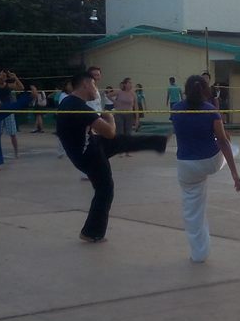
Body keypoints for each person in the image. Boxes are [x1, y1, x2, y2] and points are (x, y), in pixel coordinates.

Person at [56, 71, 168, 242]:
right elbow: (109, 132)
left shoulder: (71, 102)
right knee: (105, 189)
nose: (96, 88)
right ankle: (91, 232)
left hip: (90, 144)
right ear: (86, 84)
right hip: (87, 155)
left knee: (122, 141)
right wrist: (110, 117)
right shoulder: (77, 106)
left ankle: (159, 142)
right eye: (94, 84)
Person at [170, 74, 240, 262]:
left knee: (192, 211)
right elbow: (223, 142)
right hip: (210, 162)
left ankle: (198, 254)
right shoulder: (211, 111)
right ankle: (231, 158)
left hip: (187, 165)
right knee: (231, 146)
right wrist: (235, 174)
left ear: (185, 91)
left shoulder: (176, 109)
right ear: (206, 91)